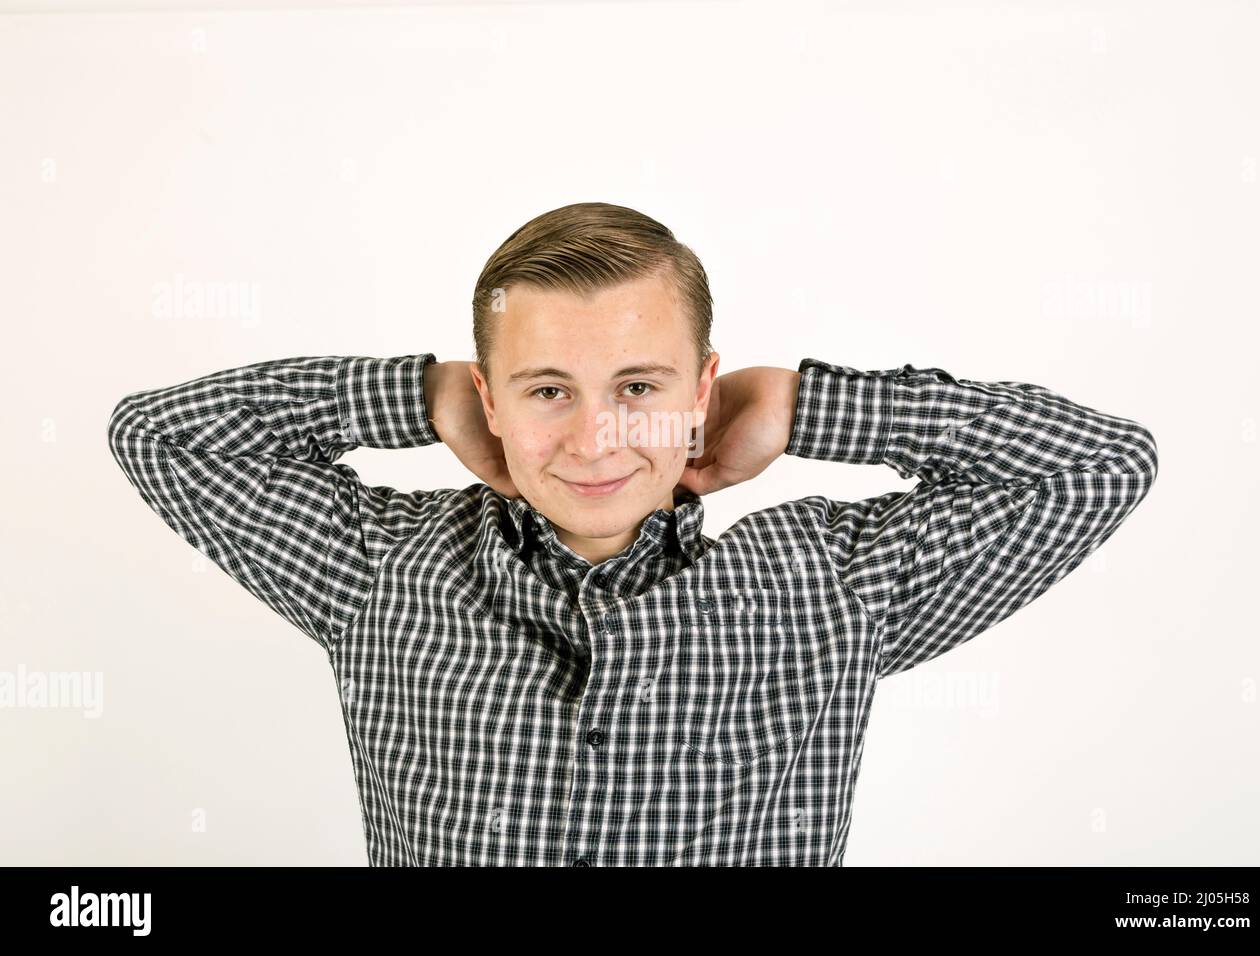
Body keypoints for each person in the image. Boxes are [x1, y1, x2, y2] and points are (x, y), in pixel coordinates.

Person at [106, 201, 1158, 866]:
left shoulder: (830, 582)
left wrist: (804, 406)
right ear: (491, 398)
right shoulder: (380, 566)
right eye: (547, 388)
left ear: (702, 389)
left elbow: (1099, 463)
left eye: (641, 385)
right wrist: (416, 395)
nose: (596, 436)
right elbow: (161, 436)